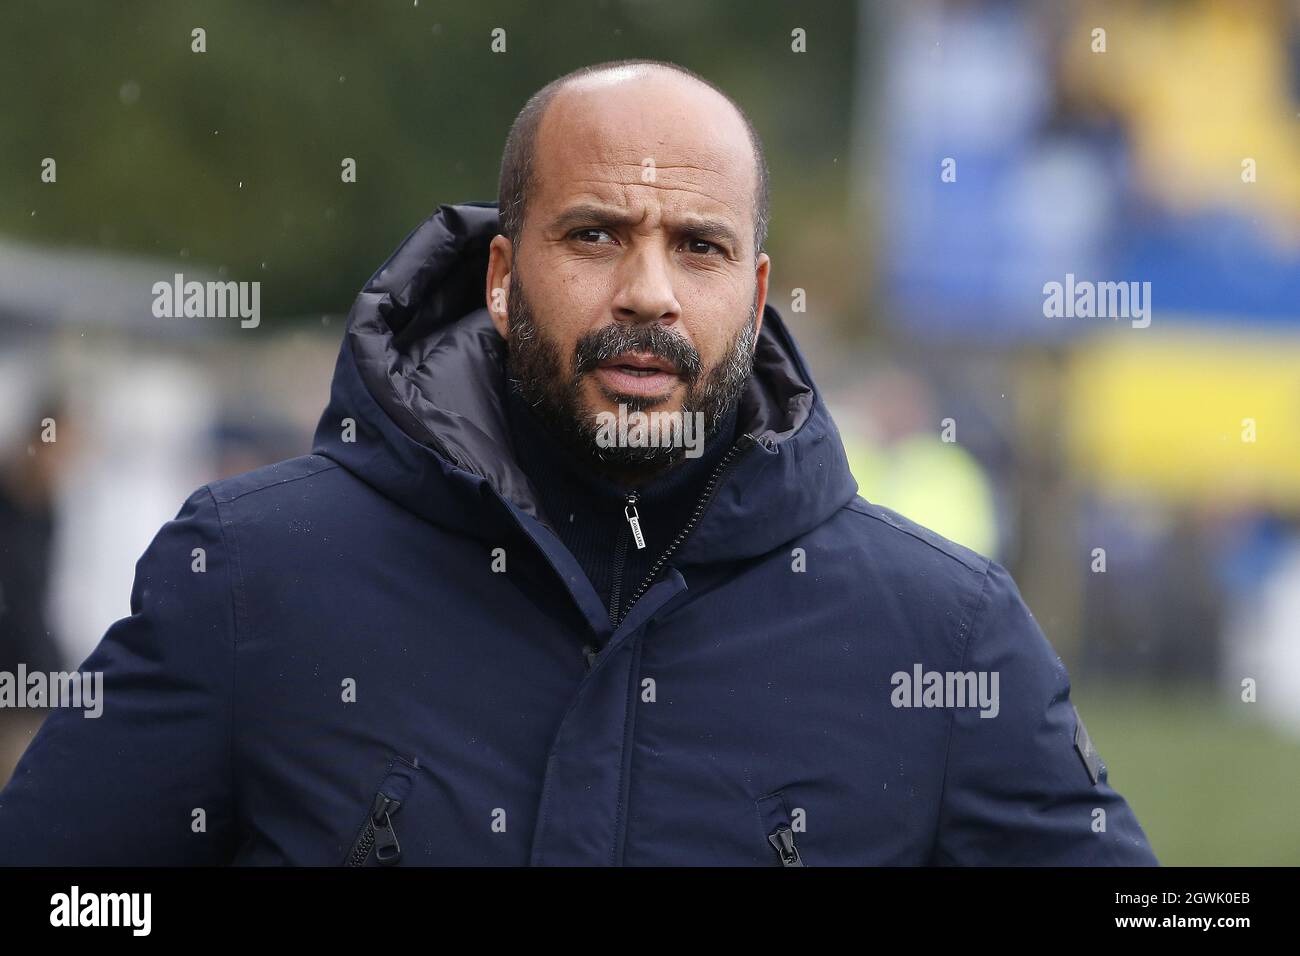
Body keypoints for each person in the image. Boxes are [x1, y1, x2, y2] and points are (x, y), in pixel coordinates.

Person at [0, 58, 1157, 865]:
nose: (646, 290)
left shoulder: (945, 634)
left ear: (753, 298)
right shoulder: (253, 575)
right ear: (501, 278)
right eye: (595, 233)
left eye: (697, 246)